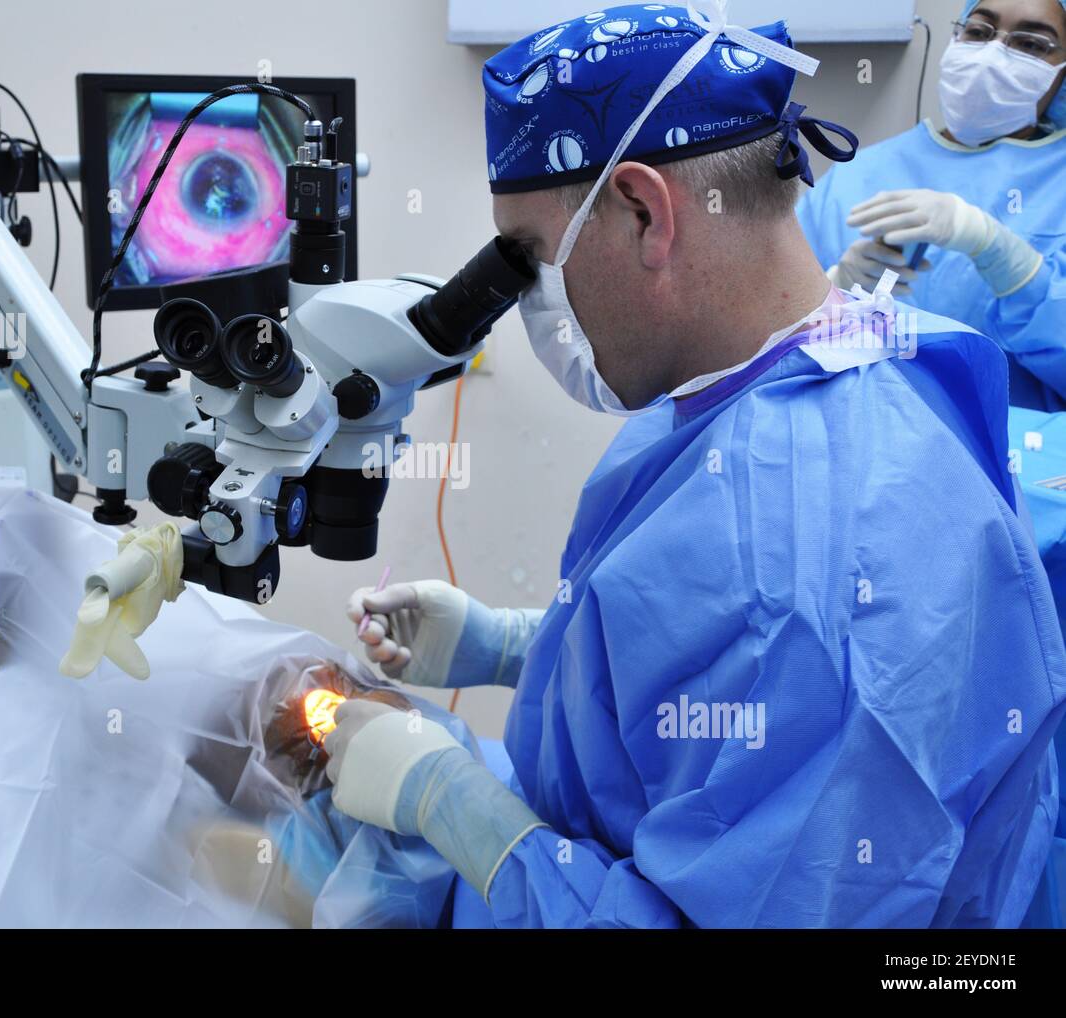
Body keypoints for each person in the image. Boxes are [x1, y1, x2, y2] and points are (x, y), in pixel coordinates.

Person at [321, 2, 1066, 928]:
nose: (528, 301)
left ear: (644, 211)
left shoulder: (811, 568)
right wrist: (517, 647)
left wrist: (451, 802)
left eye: (531, 258)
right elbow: (713, 674)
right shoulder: (790, 368)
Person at [798, 0, 1066, 411]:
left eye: (1030, 44)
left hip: (1021, 456)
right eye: (978, 32)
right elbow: (768, 344)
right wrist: (836, 290)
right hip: (861, 440)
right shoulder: (859, 173)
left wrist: (1011, 265)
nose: (992, 55)